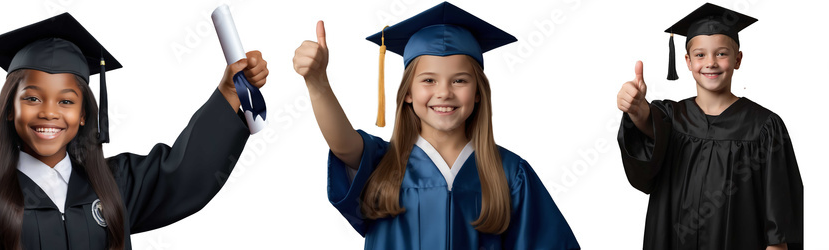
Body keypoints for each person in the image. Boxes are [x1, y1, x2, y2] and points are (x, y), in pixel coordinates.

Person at [0, 13, 268, 249]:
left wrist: (229, 94)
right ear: (9, 109)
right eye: (32, 98)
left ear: (84, 114)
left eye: (66, 101)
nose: (49, 113)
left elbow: (185, 172)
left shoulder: (116, 185)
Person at [293, 2, 579, 249]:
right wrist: (318, 84)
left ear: (478, 93)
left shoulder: (510, 173)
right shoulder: (384, 163)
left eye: (460, 80)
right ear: (408, 93)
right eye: (428, 80)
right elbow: (343, 146)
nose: (444, 92)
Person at [615, 3, 803, 249]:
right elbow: (649, 126)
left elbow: (780, 215)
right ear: (687, 61)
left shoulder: (764, 127)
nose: (711, 63)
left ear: (738, 59)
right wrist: (636, 110)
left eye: (721, 54)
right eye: (700, 54)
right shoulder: (672, 118)